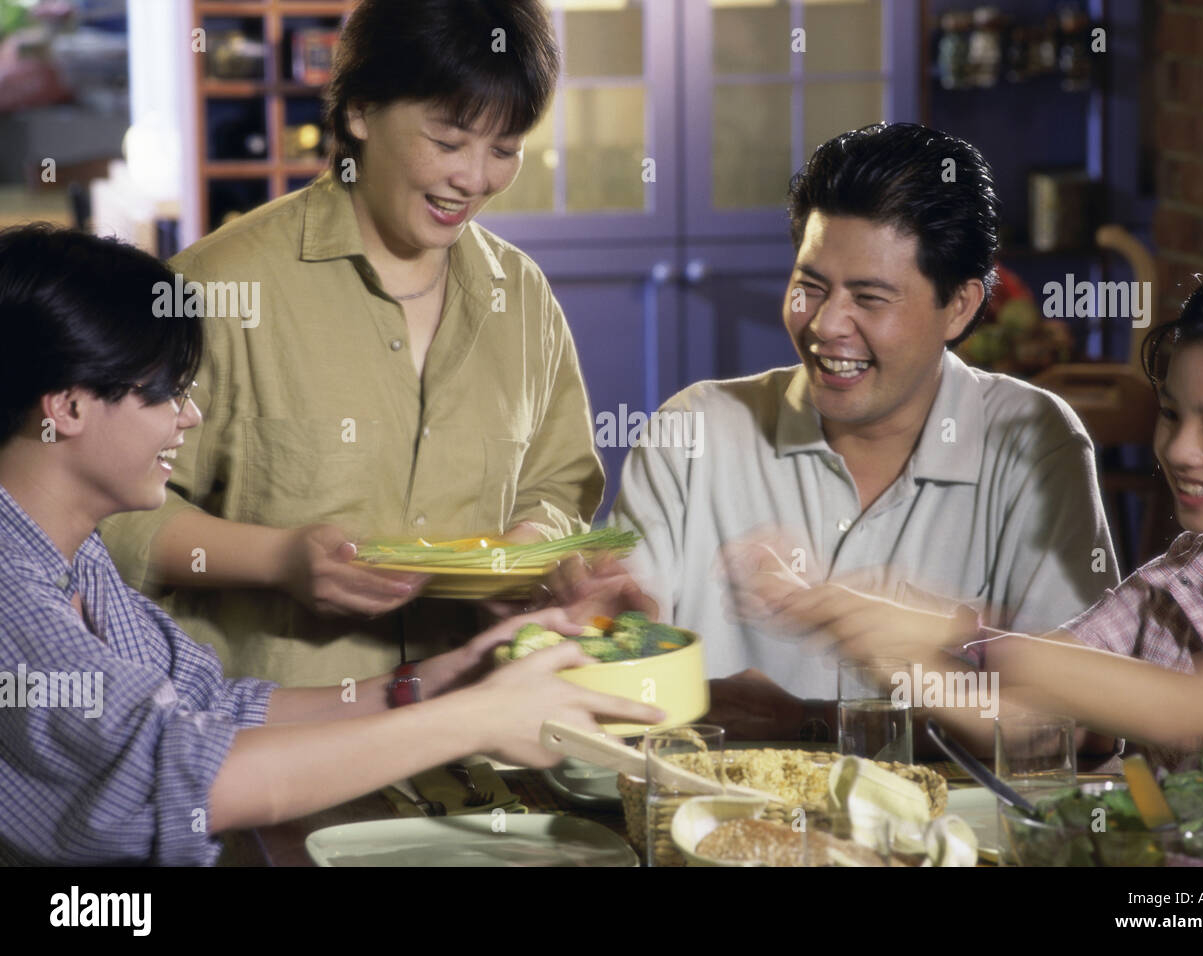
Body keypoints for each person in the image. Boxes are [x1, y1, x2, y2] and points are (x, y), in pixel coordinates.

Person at [0, 225, 661, 866]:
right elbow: (195, 778)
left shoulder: (72, 559)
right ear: (68, 407)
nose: (190, 416)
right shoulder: (12, 589)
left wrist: (452, 675)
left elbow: (218, 710)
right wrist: (476, 718)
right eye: (167, 393)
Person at [98, 0, 605, 687]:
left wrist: (524, 554)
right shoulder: (216, 288)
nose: (474, 178)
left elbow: (558, 485)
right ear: (361, 111)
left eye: (505, 150)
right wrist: (277, 560)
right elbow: (103, 511)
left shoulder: (521, 296)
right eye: (448, 141)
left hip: (479, 726)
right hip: (279, 737)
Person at [738, 264, 1203, 818]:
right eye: (1171, 414)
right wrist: (881, 645)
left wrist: (952, 634)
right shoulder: (1186, 569)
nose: (1178, 449)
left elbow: (1190, 713)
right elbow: (1033, 720)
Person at [611, 123, 1119, 734]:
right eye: (810, 287)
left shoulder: (1032, 439)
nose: (826, 325)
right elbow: (620, 655)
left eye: (870, 298)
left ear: (959, 306)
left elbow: (1082, 722)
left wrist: (813, 719)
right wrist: (597, 620)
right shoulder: (692, 433)